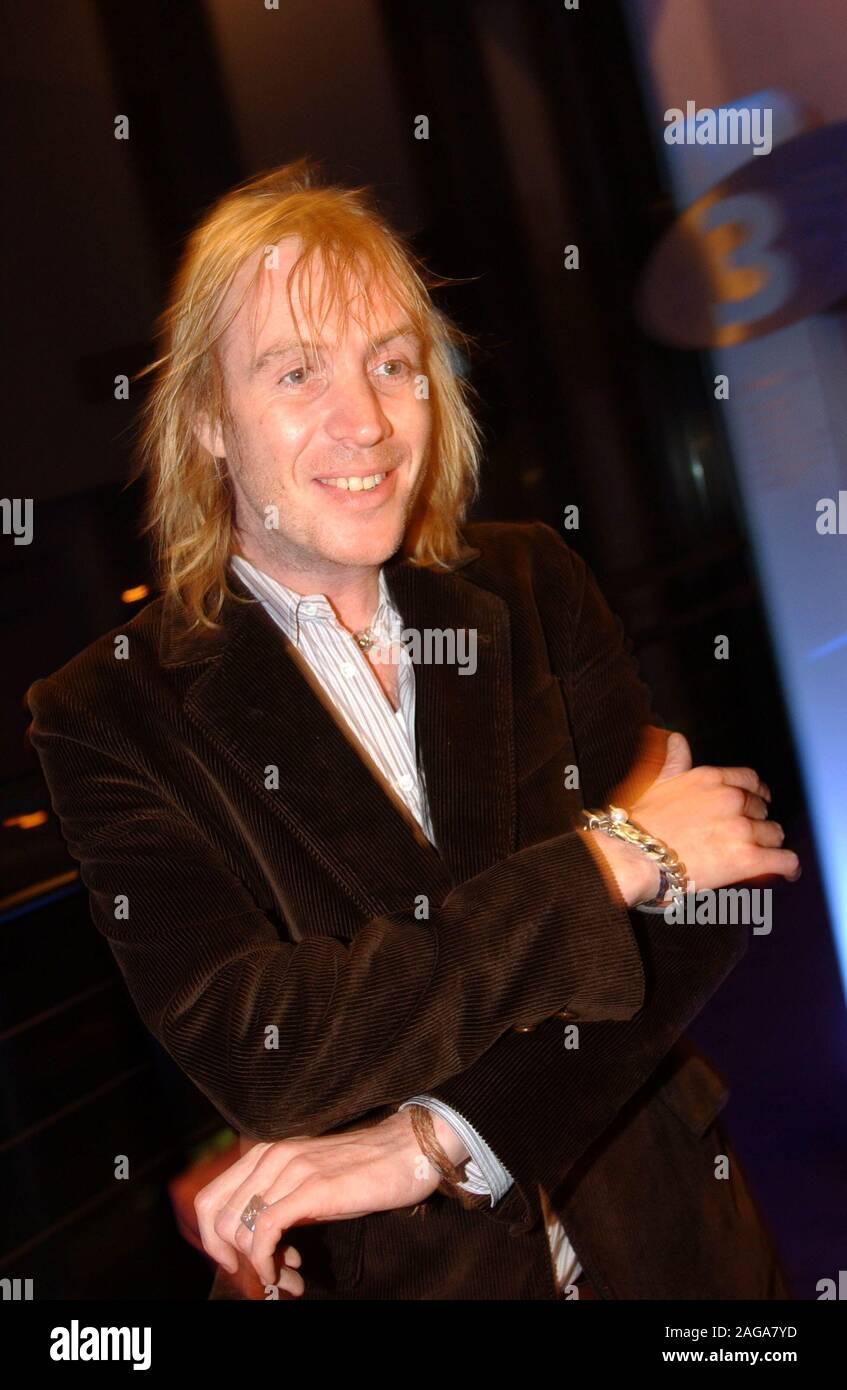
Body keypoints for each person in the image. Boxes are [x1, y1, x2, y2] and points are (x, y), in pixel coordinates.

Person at [27, 158, 798, 1301]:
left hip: (676, 1245)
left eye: (394, 364)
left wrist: (429, 1137)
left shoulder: (530, 581)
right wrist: (611, 858)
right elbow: (270, 1044)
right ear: (205, 424)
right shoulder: (109, 714)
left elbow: (702, 908)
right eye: (296, 373)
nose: (367, 421)